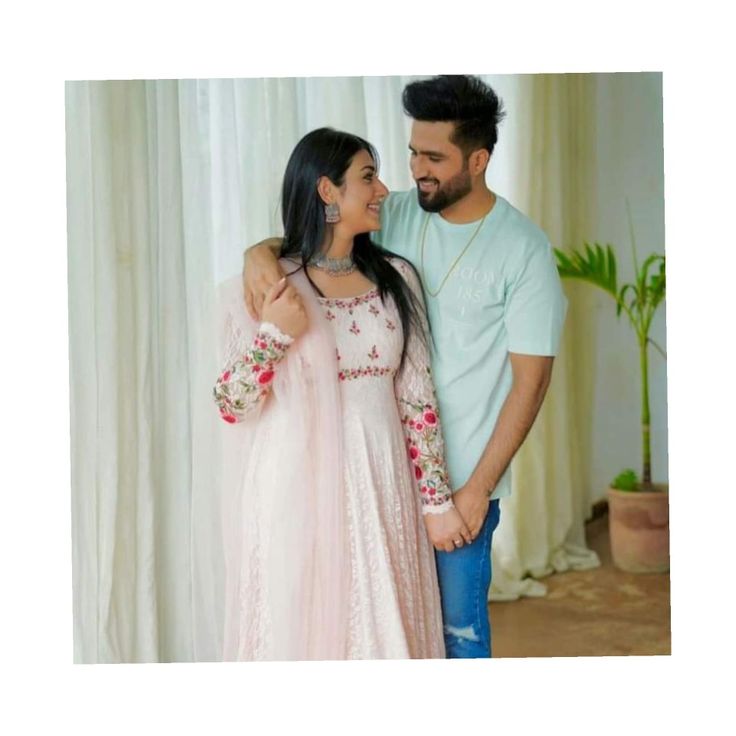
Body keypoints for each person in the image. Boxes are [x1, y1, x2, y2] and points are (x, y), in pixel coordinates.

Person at [242, 75, 568, 659]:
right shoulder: (394, 211)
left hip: (463, 479)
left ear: (479, 159)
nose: (416, 169)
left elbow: (532, 381)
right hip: (377, 477)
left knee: (455, 635)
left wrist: (474, 494)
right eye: (413, 151)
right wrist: (256, 257)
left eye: (434, 157)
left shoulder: (523, 250)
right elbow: (313, 233)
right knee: (383, 634)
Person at [214, 127, 469, 660]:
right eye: (368, 178)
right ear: (327, 191)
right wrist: (275, 333)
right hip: (296, 490)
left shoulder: (398, 278)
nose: (382, 191)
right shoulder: (270, 283)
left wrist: (437, 502)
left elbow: (416, 399)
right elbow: (232, 404)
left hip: (382, 482)